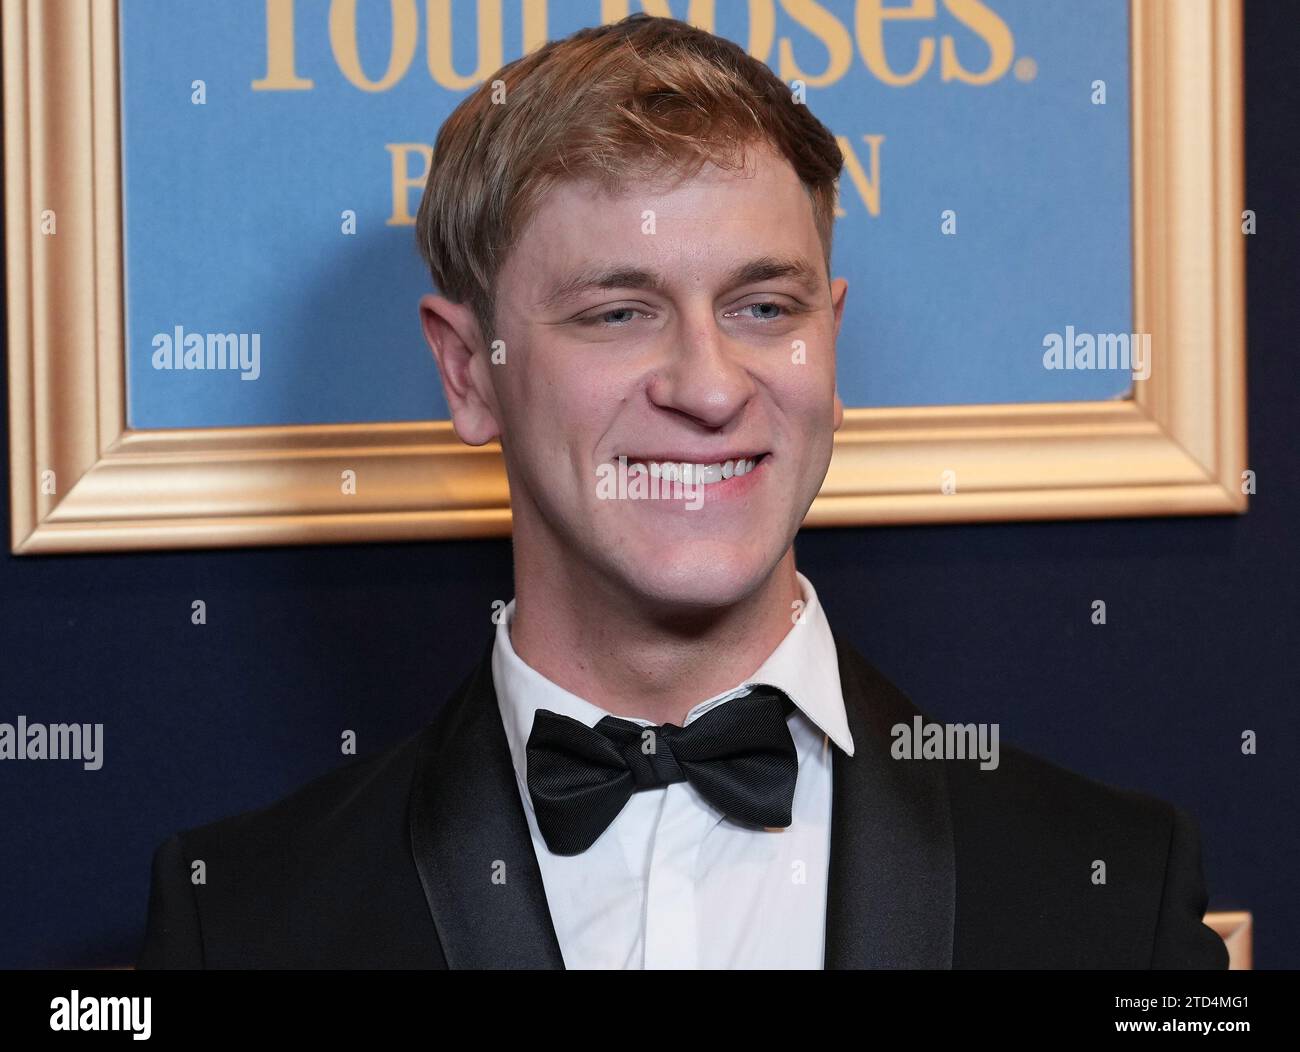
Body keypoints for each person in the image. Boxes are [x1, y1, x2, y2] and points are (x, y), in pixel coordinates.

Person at [136, 13, 1228, 970]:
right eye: (618, 312)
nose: (709, 387)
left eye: (763, 308)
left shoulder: (1113, 891)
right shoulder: (239, 921)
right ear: (469, 372)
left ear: (829, 346)